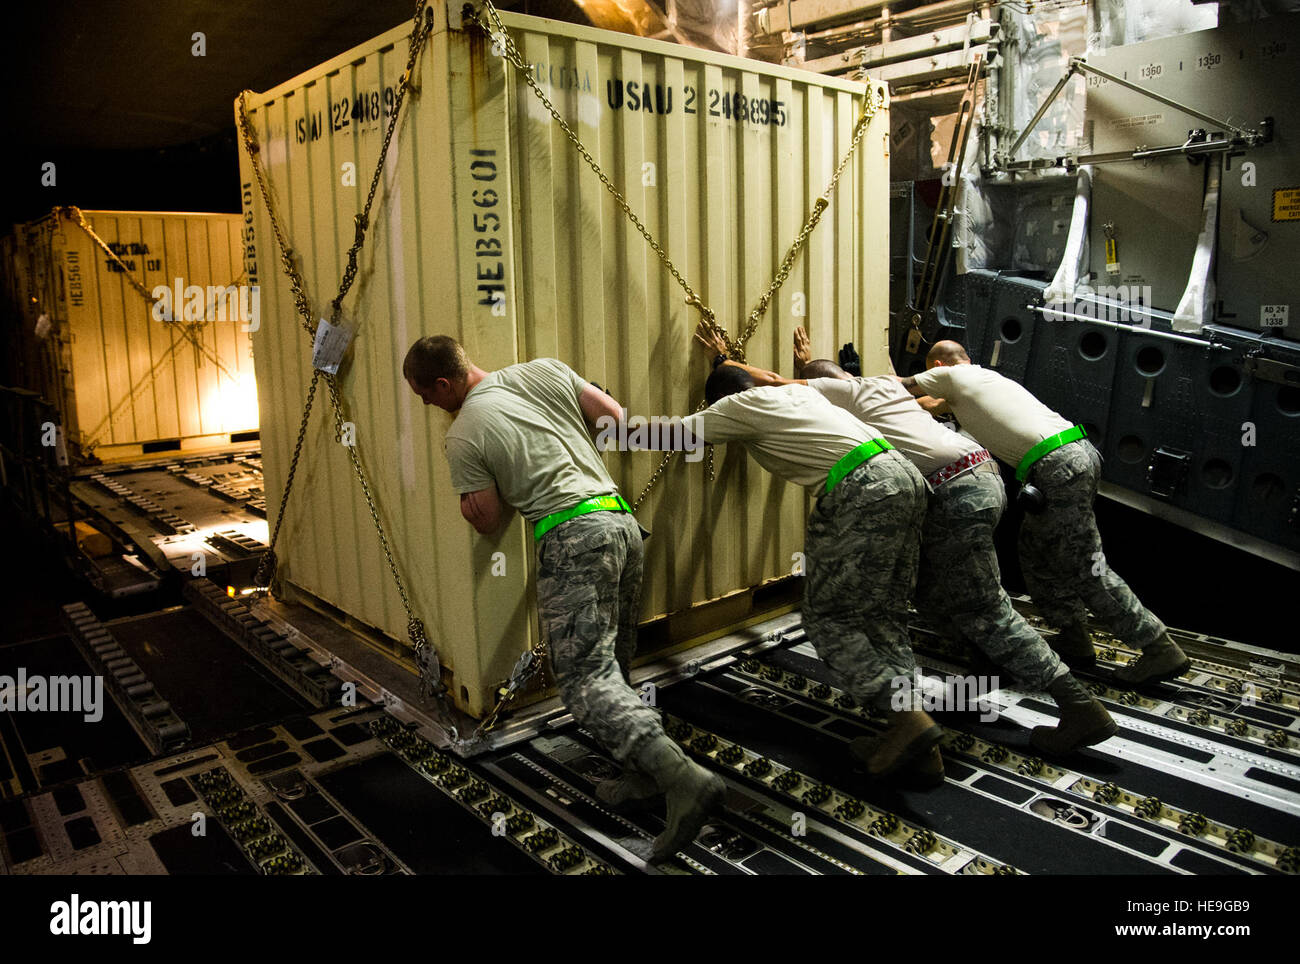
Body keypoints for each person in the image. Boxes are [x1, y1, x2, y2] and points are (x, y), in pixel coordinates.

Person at [707, 326, 1116, 758]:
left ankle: (1077, 706)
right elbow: (806, 386)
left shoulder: (837, 398)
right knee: (926, 595)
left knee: (982, 609)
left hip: (953, 490)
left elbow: (774, 387)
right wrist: (806, 364)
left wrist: (725, 363)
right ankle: (976, 671)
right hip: (976, 478)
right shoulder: (879, 388)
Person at [403, 335, 723, 862]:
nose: (429, 407)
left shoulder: (462, 434)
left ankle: (683, 779)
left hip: (573, 537)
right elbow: (615, 419)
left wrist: (476, 492)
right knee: (613, 665)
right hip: (620, 523)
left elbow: (487, 518)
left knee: (584, 681)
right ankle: (640, 777)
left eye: (426, 397)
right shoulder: (544, 370)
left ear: (443, 384)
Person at [657, 328, 941, 779]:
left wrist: (608, 424)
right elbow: (765, 378)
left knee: (829, 620)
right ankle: (918, 750)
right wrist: (724, 361)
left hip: (861, 489)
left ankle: (909, 722)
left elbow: (672, 436)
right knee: (884, 617)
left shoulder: (735, 406)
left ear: (720, 400)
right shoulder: (798, 396)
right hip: (906, 477)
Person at [899, 340, 1189, 686]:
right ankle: (1073, 636)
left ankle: (1158, 647)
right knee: (1037, 551)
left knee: (1084, 565)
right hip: (1070, 457)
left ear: (936, 366)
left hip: (1057, 464)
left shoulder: (950, 376)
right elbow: (929, 405)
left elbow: (899, 388)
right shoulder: (981, 381)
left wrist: (852, 385)